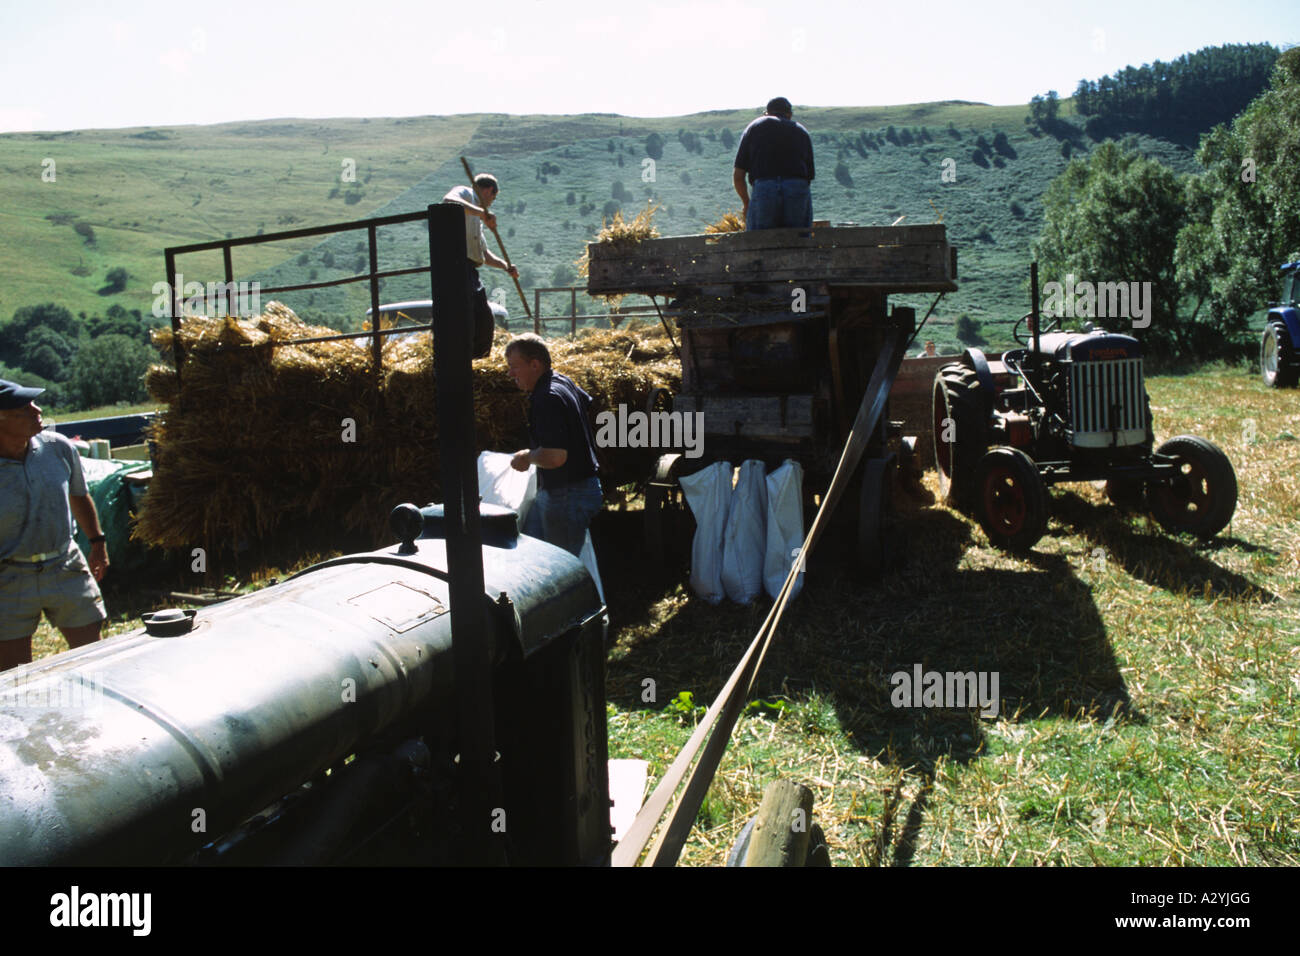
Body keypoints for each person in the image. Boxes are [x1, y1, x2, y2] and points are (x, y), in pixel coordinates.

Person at [0, 380, 107, 672]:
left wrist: (98, 542)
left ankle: (94, 716)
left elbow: (79, 495)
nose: (38, 410)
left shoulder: (57, 448)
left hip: (65, 565)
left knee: (94, 658)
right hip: (8, 577)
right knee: (13, 676)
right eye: (25, 407)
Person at [505, 335, 603, 557]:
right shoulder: (561, 381)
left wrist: (526, 457)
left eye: (514, 367)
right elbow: (586, 403)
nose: (510, 374)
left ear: (535, 364)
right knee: (531, 552)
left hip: (568, 495)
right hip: (561, 491)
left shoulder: (546, 398)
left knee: (559, 568)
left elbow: (555, 457)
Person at [443, 173, 520, 358]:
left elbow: (483, 253)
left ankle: (479, 360)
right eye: (493, 197)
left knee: (484, 317)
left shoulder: (476, 217)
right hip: (456, 264)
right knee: (468, 314)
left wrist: (505, 265)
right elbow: (449, 200)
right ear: (488, 190)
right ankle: (466, 358)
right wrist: (482, 213)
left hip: (470, 269)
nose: (492, 202)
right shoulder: (466, 193)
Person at [732, 97, 816, 230]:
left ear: (767, 113)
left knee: (759, 241)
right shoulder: (801, 131)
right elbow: (809, 177)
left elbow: (738, 175)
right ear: (789, 114)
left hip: (765, 189)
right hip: (797, 187)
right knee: (799, 241)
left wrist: (747, 203)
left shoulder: (755, 126)